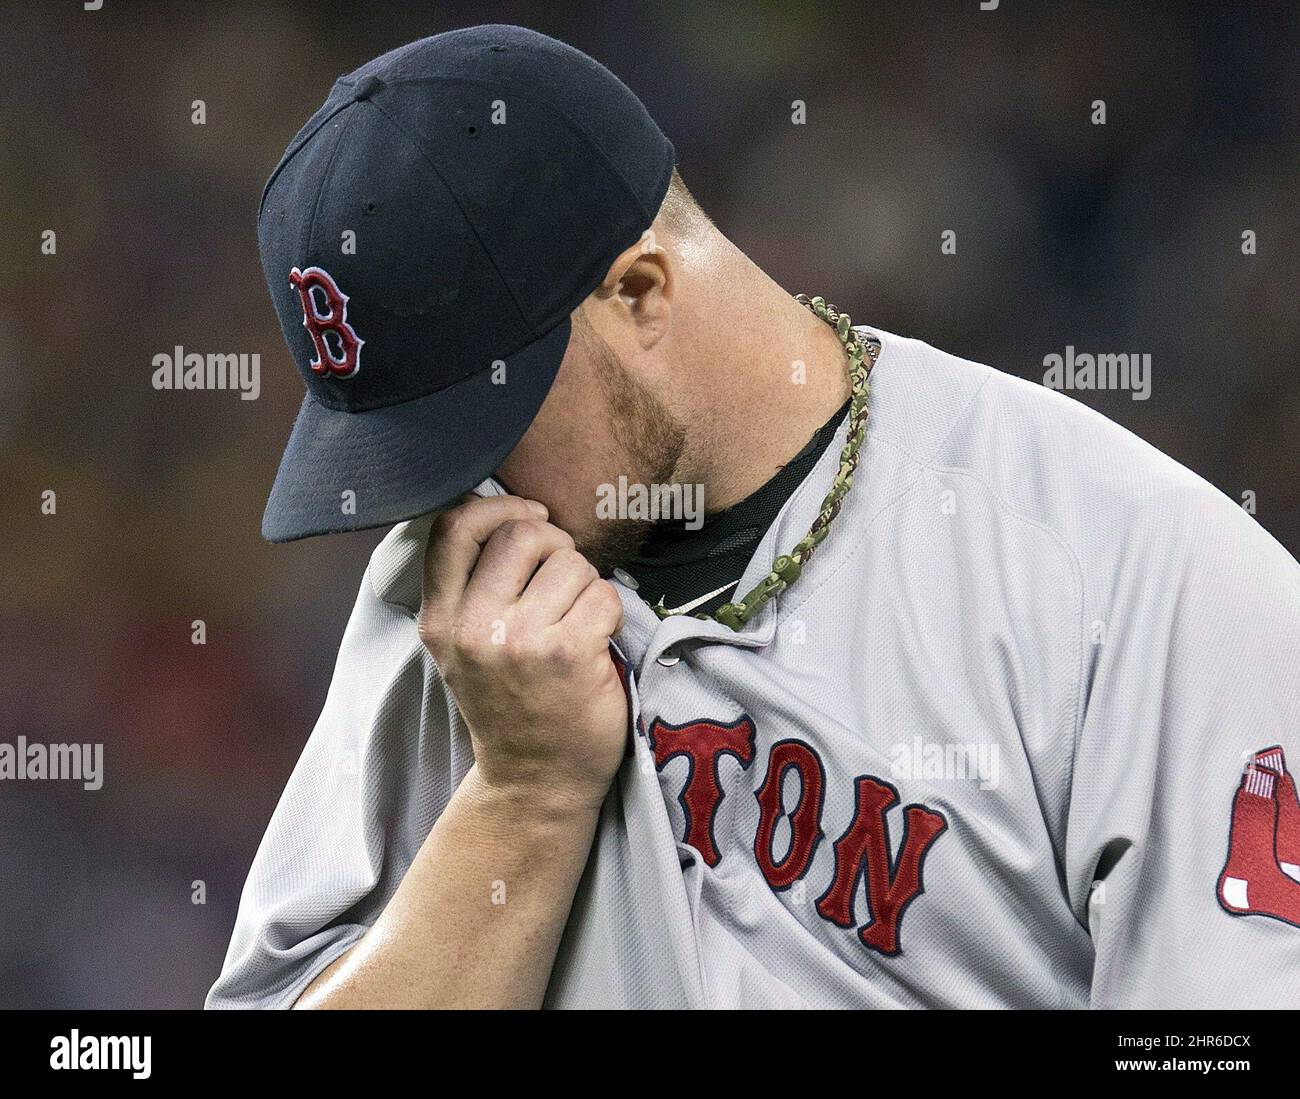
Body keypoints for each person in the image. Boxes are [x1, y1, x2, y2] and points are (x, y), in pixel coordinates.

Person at [208, 25, 1300, 1009]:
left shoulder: (1136, 578)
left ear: (640, 292)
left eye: (481, 423)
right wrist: (521, 796)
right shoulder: (466, 592)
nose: (459, 486)